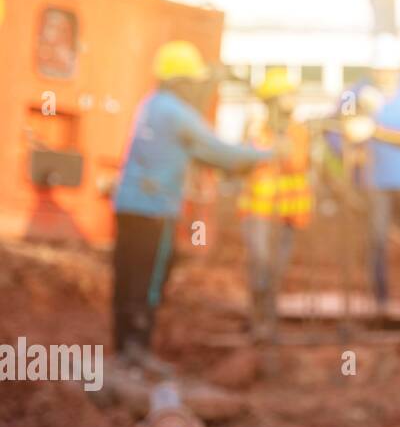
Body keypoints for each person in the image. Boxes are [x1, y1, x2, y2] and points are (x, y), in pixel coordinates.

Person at [113, 41, 274, 372]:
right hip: (155, 210)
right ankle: (138, 350)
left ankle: (124, 348)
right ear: (182, 81)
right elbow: (217, 151)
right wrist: (264, 156)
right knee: (149, 279)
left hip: (129, 204)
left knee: (128, 277)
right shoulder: (177, 113)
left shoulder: (152, 104)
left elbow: (198, 151)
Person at [345, 33, 400, 311]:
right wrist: (350, 149)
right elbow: (338, 129)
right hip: (375, 179)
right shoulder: (358, 92)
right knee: (377, 238)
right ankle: (379, 296)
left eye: (388, 70)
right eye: (379, 70)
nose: (383, 75)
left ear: (398, 69)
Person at [236, 68, 313, 342]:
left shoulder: (298, 132)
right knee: (260, 264)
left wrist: (282, 144)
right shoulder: (256, 129)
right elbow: (240, 162)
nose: (292, 100)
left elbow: (297, 163)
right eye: (287, 96)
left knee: (276, 268)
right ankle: (257, 320)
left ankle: (268, 321)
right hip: (258, 211)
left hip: (286, 214)